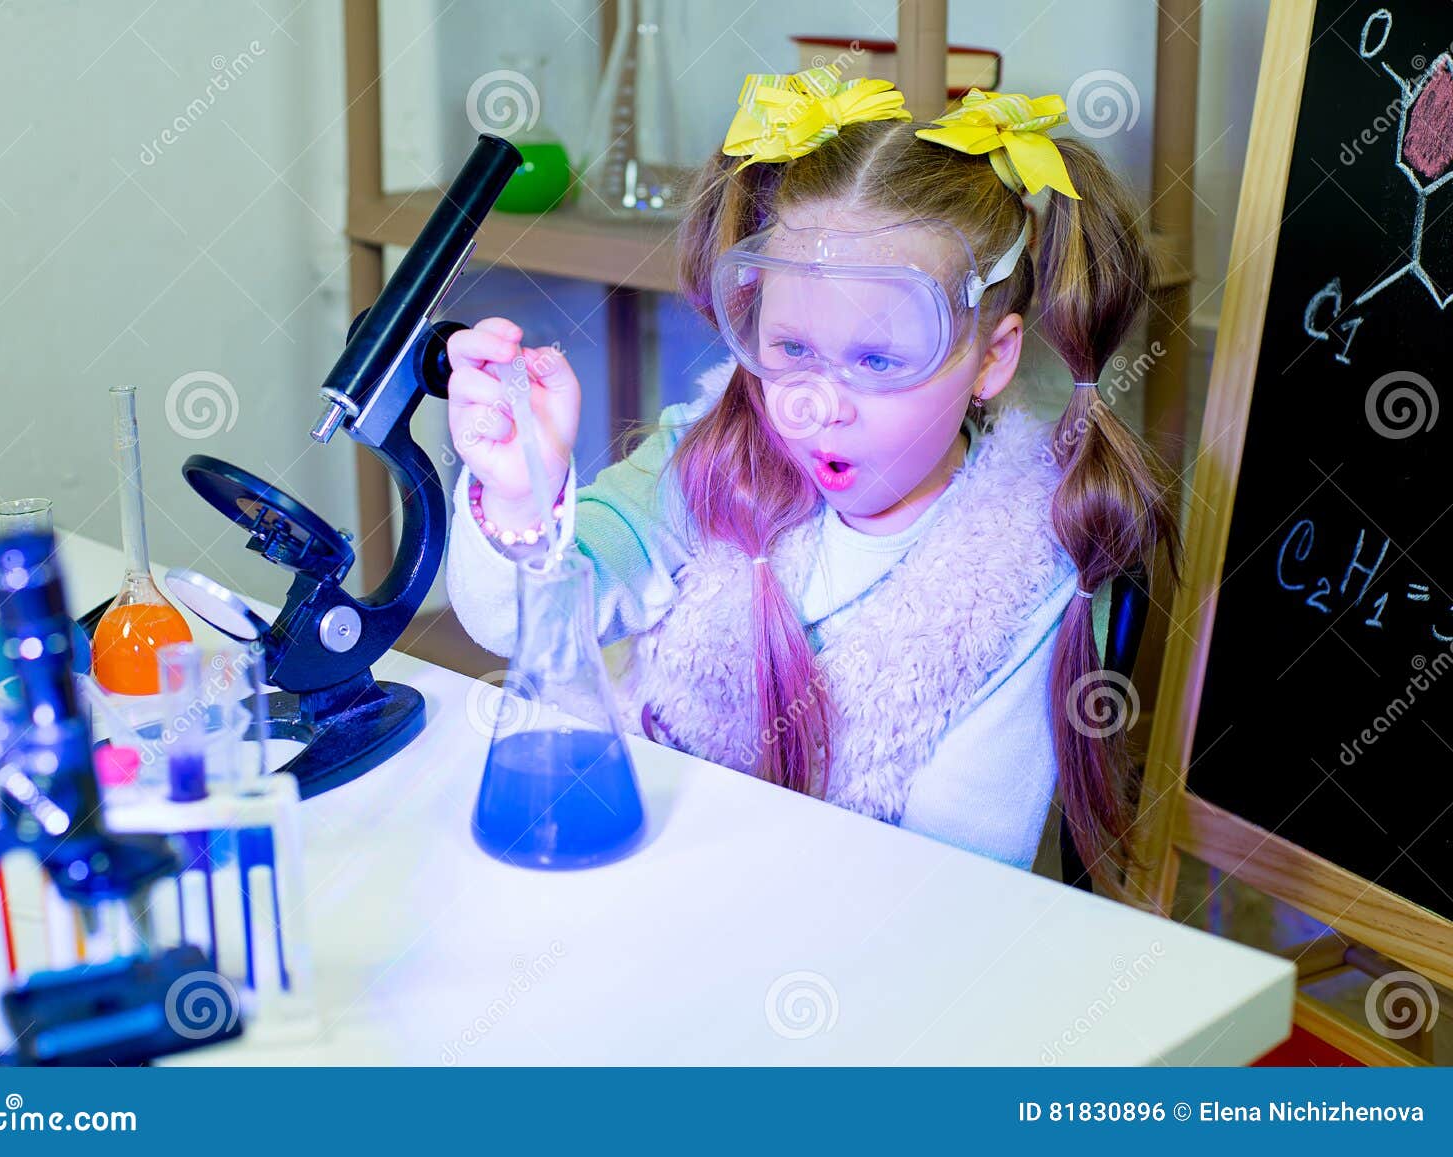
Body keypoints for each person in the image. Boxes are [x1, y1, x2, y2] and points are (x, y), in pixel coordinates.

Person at [444, 71, 1180, 895]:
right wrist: (520, 493)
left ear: (992, 358)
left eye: (876, 360)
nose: (815, 406)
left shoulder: (1026, 562)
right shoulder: (712, 452)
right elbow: (516, 622)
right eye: (791, 349)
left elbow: (959, 888)